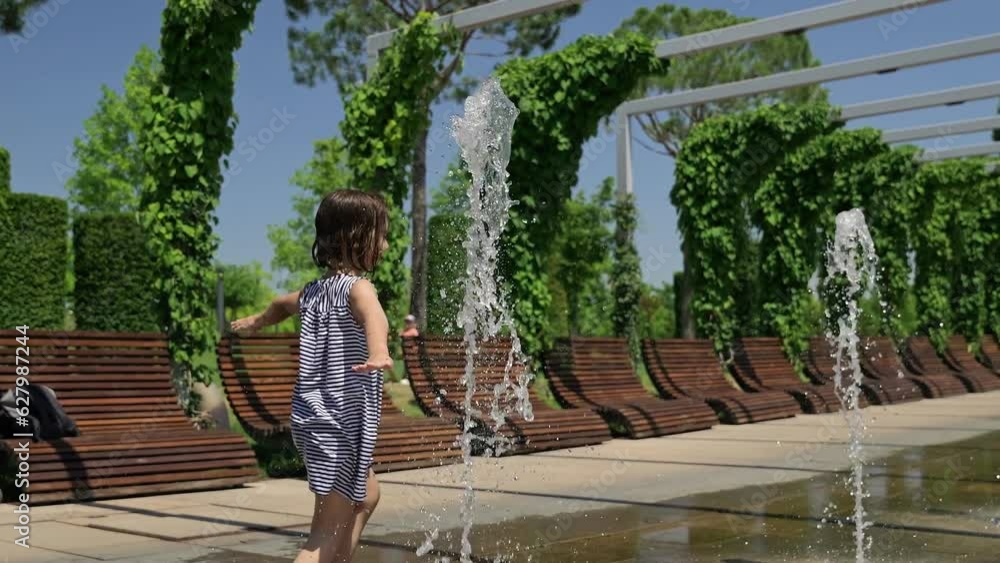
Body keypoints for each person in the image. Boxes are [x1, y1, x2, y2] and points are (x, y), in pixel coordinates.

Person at [231, 190, 392, 563]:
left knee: (366, 495)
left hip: (317, 420)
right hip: (336, 423)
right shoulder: (359, 288)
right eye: (380, 235)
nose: (384, 245)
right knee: (323, 533)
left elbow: (278, 306)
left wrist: (256, 322)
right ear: (357, 238)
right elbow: (375, 318)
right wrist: (379, 350)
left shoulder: (313, 292)